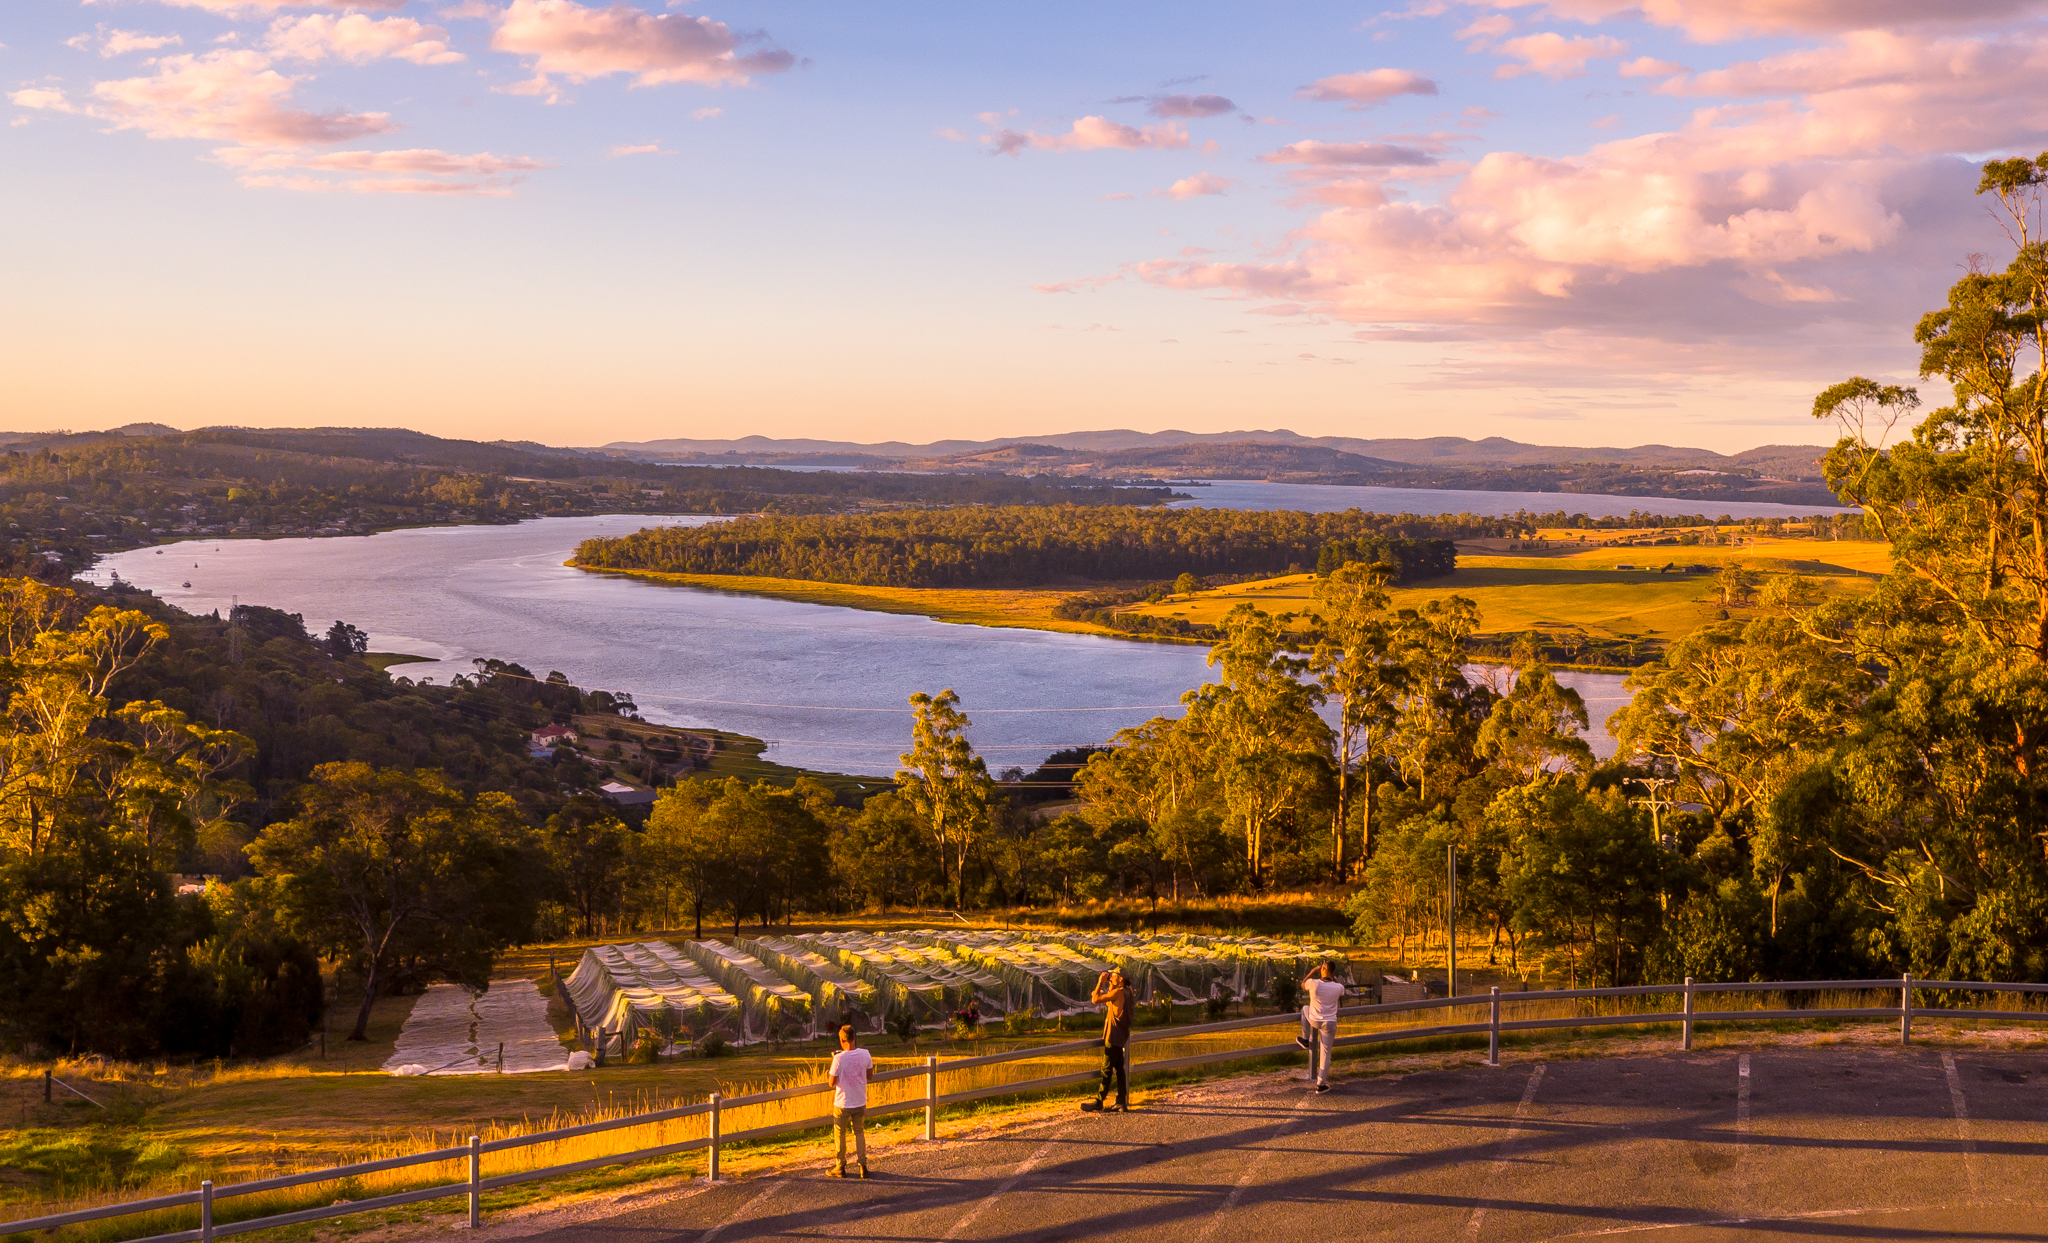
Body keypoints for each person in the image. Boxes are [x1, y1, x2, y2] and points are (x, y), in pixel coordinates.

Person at [1080, 968, 1133, 1113]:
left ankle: (1099, 1101)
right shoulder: (1128, 993)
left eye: (1113, 976)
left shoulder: (1117, 993)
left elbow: (1095, 999)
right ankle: (1121, 1101)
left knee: (1106, 1070)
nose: (1110, 978)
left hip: (1113, 1036)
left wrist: (1100, 983)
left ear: (1120, 979)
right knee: (1120, 1070)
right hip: (1121, 1036)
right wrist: (1108, 989)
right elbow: (1112, 1005)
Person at [827, 1024, 873, 1177]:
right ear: (855, 1038)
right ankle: (862, 1165)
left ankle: (840, 1166)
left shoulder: (839, 1058)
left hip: (843, 1102)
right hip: (860, 1100)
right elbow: (870, 1075)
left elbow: (831, 1082)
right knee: (859, 1133)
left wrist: (834, 1061)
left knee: (840, 1134)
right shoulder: (866, 1054)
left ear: (842, 1040)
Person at [1295, 961, 1346, 1093]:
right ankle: (1321, 1084)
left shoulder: (1313, 983)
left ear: (1322, 969)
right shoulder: (1338, 987)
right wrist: (1330, 974)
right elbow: (1341, 989)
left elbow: (1302, 984)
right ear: (1333, 973)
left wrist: (1313, 971)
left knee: (1305, 1009)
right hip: (1330, 1023)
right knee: (1326, 1054)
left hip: (1314, 1020)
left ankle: (1306, 1039)